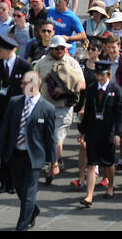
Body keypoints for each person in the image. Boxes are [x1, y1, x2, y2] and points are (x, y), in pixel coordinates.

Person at [0, 70, 59, 231]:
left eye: (24, 83)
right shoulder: (14, 102)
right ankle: (34, 210)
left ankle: (21, 227)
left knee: (29, 194)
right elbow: (5, 129)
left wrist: (54, 162)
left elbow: (50, 137)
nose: (21, 85)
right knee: (20, 189)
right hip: (15, 153)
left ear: (33, 85)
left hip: (34, 157)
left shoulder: (47, 108)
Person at [0, 33, 32, 192]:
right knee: (2, 144)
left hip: (19, 113)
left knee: (15, 147)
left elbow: (31, 92)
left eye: (1, 49)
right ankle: (4, 182)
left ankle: (14, 182)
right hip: (1, 110)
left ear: (9, 50)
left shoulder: (24, 66)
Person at [35, 34, 85, 185]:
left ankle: (54, 164)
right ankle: (53, 161)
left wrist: (65, 88)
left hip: (64, 107)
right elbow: (35, 83)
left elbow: (82, 85)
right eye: (56, 48)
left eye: (62, 48)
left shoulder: (72, 63)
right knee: (45, 137)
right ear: (51, 48)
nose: (59, 50)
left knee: (57, 138)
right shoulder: (42, 63)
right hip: (45, 106)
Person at [77, 60, 122, 207]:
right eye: (97, 74)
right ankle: (89, 196)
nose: (99, 77)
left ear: (108, 74)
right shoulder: (91, 89)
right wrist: (82, 131)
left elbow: (119, 113)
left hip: (108, 131)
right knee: (91, 164)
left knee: (108, 163)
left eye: (102, 75)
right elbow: (88, 111)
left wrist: (118, 133)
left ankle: (110, 187)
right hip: (93, 130)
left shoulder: (115, 90)